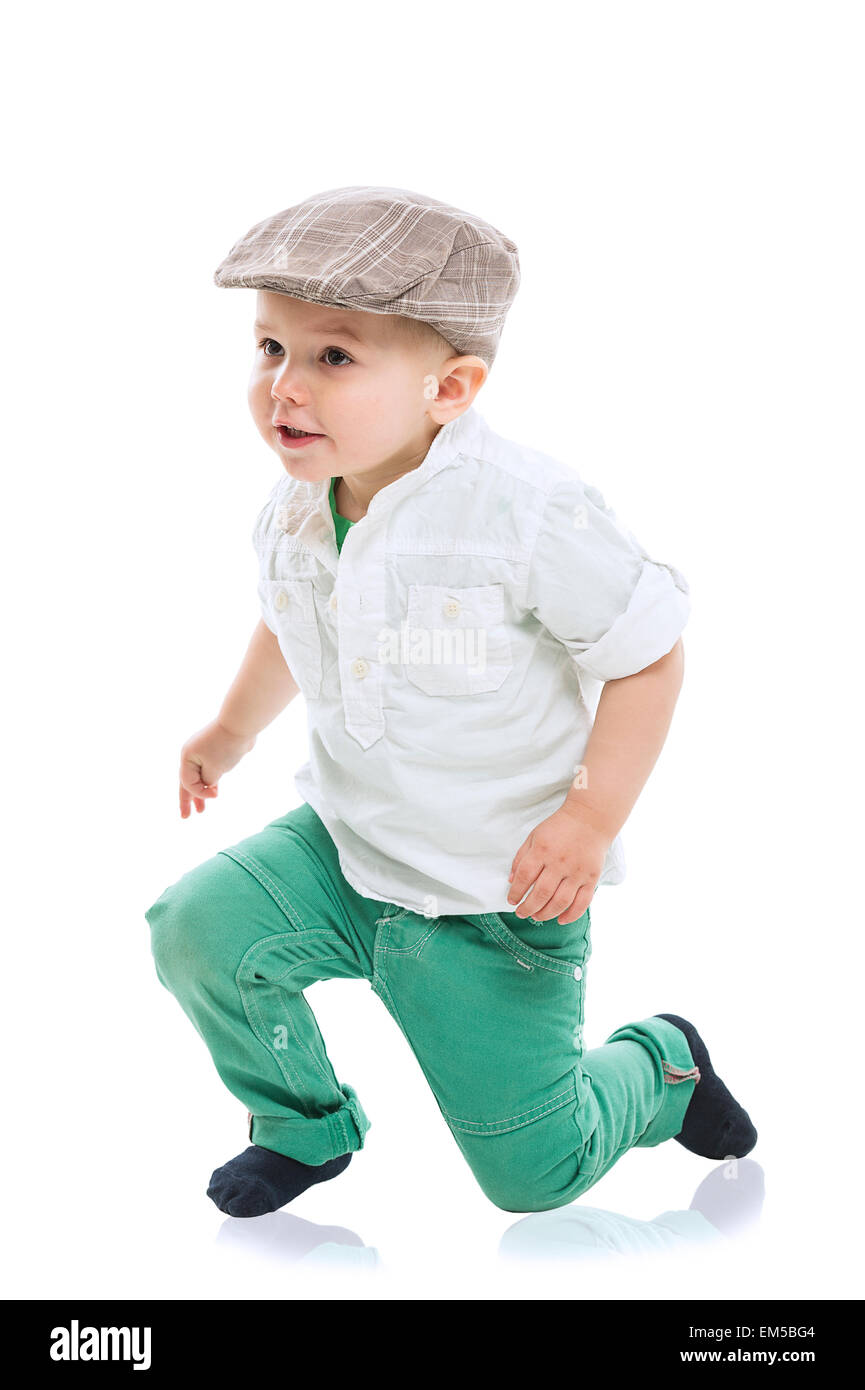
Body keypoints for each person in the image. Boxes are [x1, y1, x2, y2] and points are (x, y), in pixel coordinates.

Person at [145, 185, 757, 1217]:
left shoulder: (526, 514)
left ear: (452, 387)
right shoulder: (297, 505)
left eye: (333, 357)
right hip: (344, 853)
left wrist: (588, 817)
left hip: (493, 896)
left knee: (535, 1177)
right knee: (195, 924)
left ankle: (661, 1065)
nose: (284, 387)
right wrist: (230, 730)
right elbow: (300, 624)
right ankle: (304, 1122)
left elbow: (648, 656)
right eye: (268, 349)